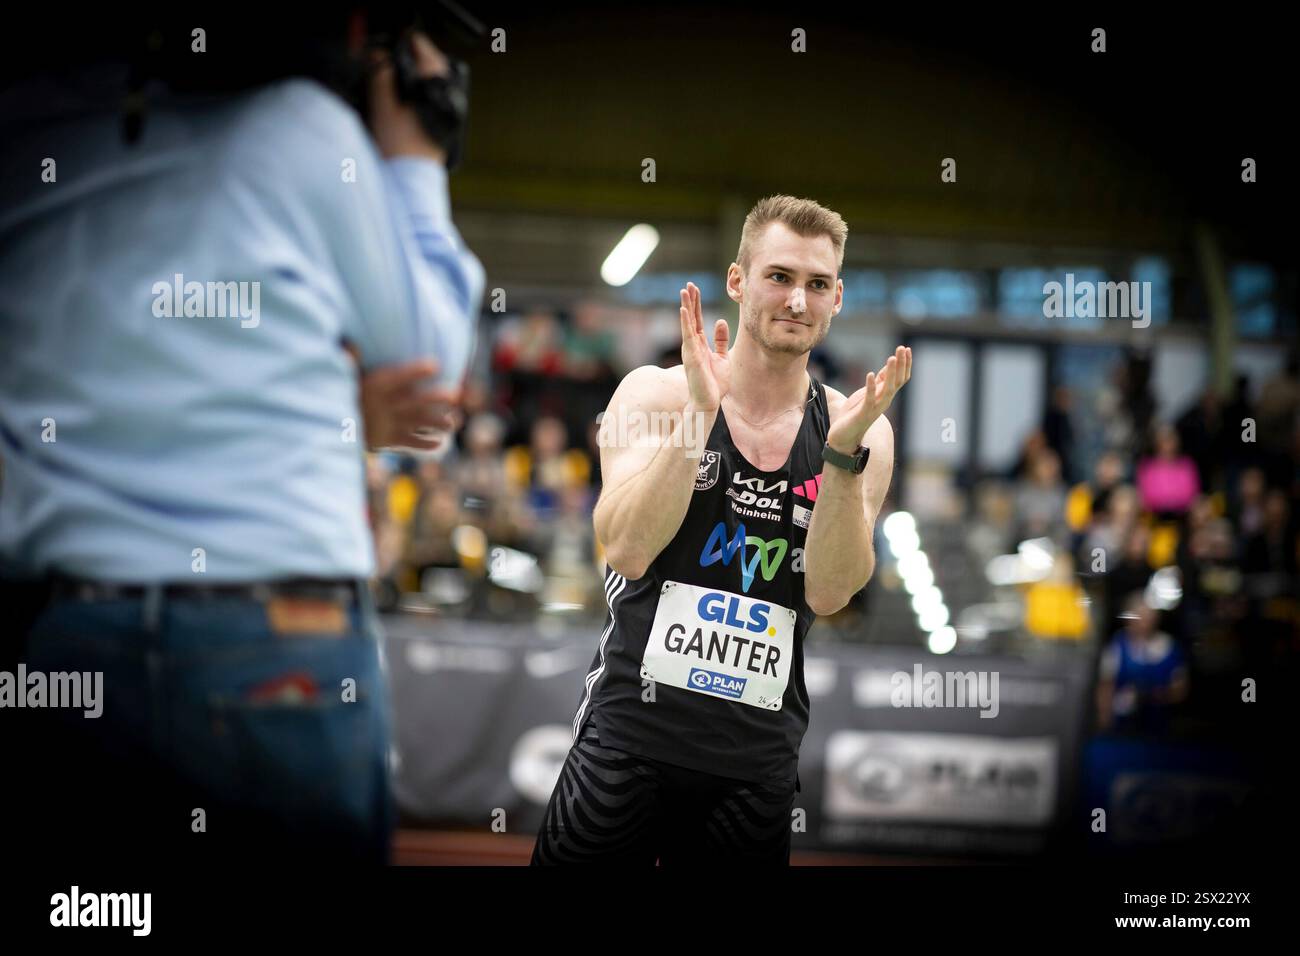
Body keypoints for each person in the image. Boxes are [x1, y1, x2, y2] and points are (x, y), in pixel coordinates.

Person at [0, 14, 483, 865]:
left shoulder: (26, 124)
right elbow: (429, 367)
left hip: (62, 638)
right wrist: (413, 152)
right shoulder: (301, 130)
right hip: (275, 630)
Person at [531, 195, 911, 865]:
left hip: (753, 766)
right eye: (780, 276)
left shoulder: (860, 431)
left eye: (817, 284)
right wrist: (699, 418)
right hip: (628, 738)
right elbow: (625, 547)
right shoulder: (654, 395)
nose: (797, 300)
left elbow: (829, 593)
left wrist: (842, 460)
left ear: (837, 299)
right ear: (738, 282)